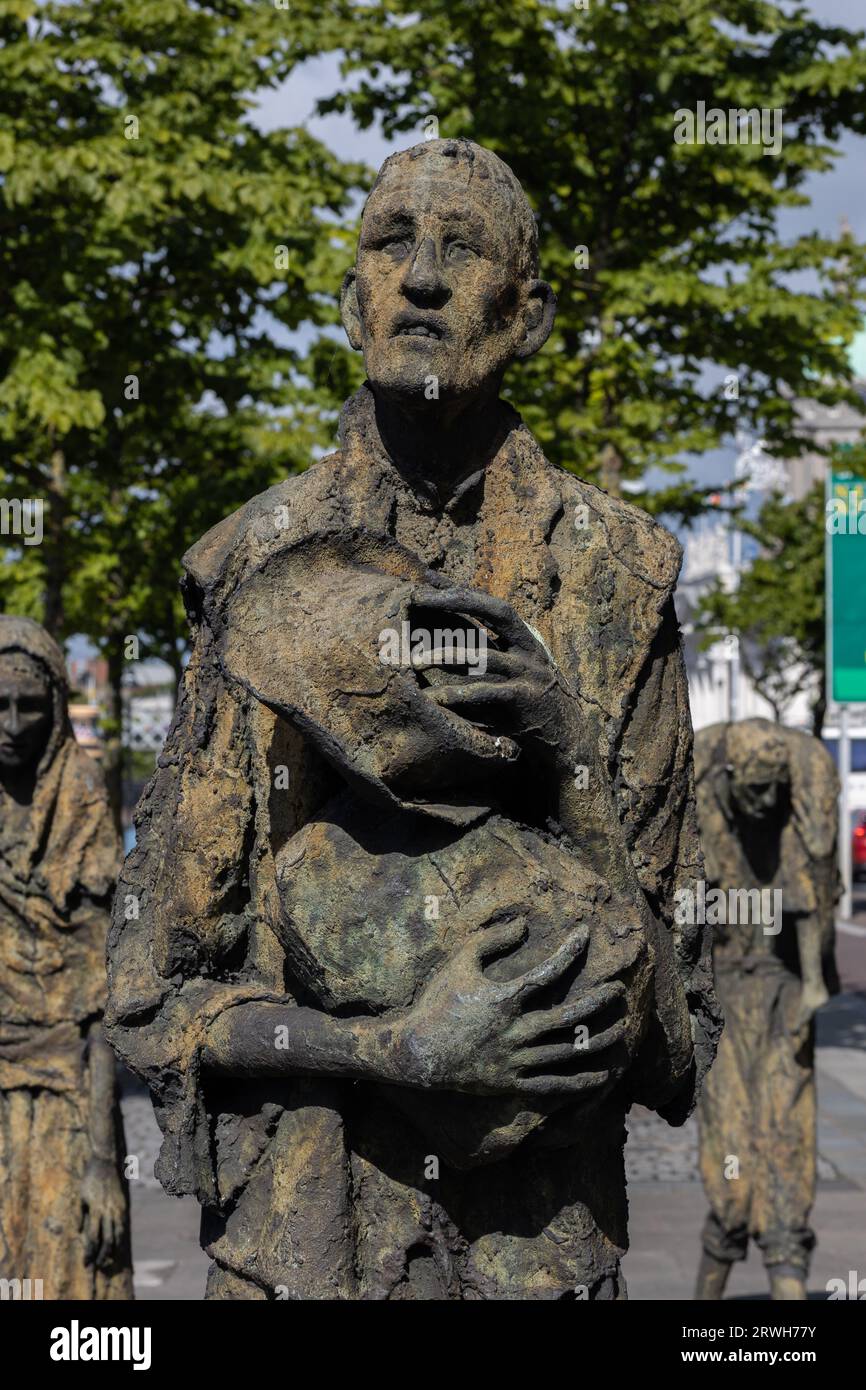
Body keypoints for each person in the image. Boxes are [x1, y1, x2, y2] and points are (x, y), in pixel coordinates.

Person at [107, 139, 720, 1300]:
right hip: (307, 1245)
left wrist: (568, 757)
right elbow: (156, 994)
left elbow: (673, 1038)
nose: (423, 278)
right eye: (393, 243)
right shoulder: (253, 566)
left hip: (535, 1250)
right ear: (351, 302)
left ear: (525, 315)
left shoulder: (621, 578)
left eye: (463, 247)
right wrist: (386, 1051)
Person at [0, 616, 132, 1299]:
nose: (14, 723)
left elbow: (100, 1004)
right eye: (0, 704)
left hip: (63, 1107)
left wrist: (104, 1162)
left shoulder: (80, 805)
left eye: (30, 705)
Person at [693, 718, 839, 1300]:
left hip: (783, 988)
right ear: (728, 778)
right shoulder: (698, 781)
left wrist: (812, 990)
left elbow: (811, 889)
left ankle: (788, 1294)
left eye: (774, 789)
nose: (766, 803)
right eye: (754, 791)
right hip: (721, 991)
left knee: (785, 1141)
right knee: (729, 1158)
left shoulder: (804, 782)